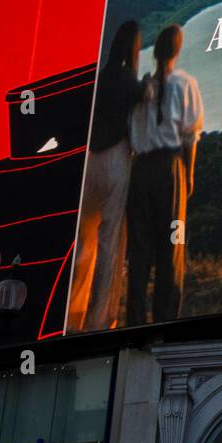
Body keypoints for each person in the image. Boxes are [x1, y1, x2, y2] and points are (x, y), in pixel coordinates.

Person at [68, 21, 143, 331]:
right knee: (109, 242)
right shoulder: (130, 81)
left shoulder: (101, 78)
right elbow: (139, 125)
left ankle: (73, 314)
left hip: (90, 160)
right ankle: (100, 320)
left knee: (84, 240)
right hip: (116, 158)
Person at [126, 25, 203, 324]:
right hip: (170, 170)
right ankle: (165, 319)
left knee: (140, 247)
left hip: (141, 169)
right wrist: (190, 175)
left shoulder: (141, 88)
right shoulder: (185, 83)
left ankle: (134, 318)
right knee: (173, 242)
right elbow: (190, 136)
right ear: (177, 50)